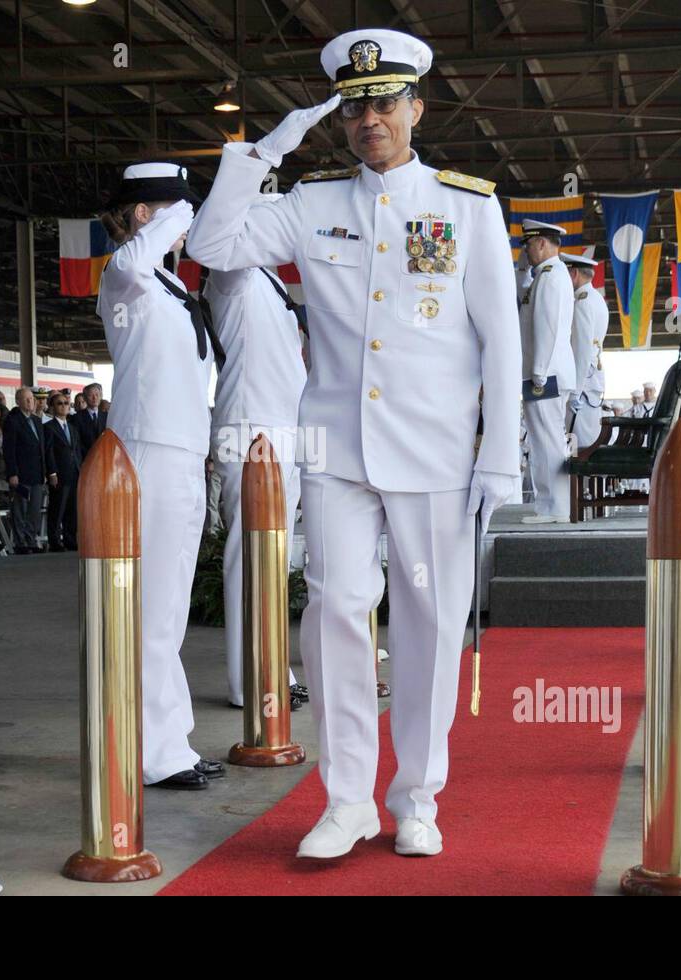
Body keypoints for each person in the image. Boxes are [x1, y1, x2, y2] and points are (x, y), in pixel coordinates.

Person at [187, 27, 520, 857]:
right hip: (336, 446)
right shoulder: (312, 203)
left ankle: (418, 798)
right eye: (353, 107)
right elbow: (211, 244)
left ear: (416, 106)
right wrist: (266, 147)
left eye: (384, 102)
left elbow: (501, 339)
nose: (370, 118)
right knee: (334, 611)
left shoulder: (466, 205)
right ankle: (346, 801)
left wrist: (499, 453)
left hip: (436, 453)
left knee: (428, 625)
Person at [96, 161, 224, 791]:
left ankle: (170, 740)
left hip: (182, 452)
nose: (189, 221)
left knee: (168, 609)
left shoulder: (171, 287)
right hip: (143, 452)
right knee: (146, 610)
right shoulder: (128, 276)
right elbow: (127, 265)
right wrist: (174, 219)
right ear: (146, 215)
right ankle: (149, 749)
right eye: (177, 209)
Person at [205, 209, 309, 709]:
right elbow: (224, 224)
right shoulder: (232, 271)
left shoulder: (268, 281)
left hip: (282, 429)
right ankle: (252, 680)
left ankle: (274, 668)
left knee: (275, 557)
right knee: (249, 557)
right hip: (248, 428)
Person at [517, 219, 575, 523]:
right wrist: (521, 270)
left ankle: (555, 507)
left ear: (541, 242)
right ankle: (551, 504)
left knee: (548, 441)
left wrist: (539, 371)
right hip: (545, 372)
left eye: (528, 244)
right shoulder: (544, 275)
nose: (525, 250)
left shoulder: (552, 277)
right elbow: (521, 302)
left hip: (546, 373)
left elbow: (548, 328)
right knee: (543, 440)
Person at [562, 252, 607, 450]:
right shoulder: (597, 299)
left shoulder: (582, 303)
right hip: (591, 382)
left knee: (575, 450)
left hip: (581, 386)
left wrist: (574, 392)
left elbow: (581, 352)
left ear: (573, 274)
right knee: (585, 446)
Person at [3, 387, 55, 554]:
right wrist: (12, 473)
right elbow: (9, 449)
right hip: (21, 474)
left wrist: (47, 472)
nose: (30, 402)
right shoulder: (13, 421)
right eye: (26, 399)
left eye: (31, 399)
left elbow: (43, 449)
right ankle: (21, 543)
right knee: (20, 509)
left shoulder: (37, 421)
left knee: (34, 510)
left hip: (37, 473)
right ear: (18, 402)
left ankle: (31, 540)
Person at [42, 390, 82, 551]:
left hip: (74, 472)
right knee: (57, 508)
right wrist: (52, 473)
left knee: (72, 508)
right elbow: (48, 451)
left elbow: (77, 450)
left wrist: (81, 469)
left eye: (66, 403)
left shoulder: (72, 427)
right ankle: (55, 541)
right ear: (52, 407)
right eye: (60, 403)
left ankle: (70, 539)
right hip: (59, 473)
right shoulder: (49, 427)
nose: (64, 406)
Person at [71, 382, 107, 452]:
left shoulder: (106, 416)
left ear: (101, 396)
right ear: (84, 398)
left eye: (97, 395)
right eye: (91, 395)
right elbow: (77, 442)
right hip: (86, 457)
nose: (94, 398)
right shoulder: (77, 418)